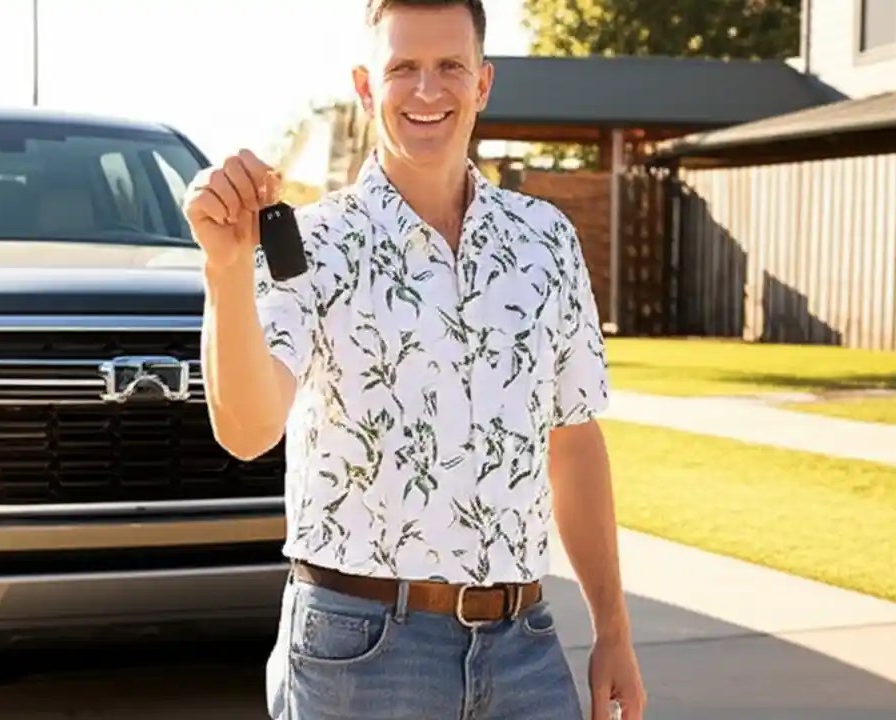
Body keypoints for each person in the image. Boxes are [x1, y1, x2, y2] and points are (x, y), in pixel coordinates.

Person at [182, 1, 647, 718]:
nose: (428, 92)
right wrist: (225, 272)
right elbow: (247, 429)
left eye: (449, 67)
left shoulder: (545, 240)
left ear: (483, 83)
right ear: (367, 87)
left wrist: (613, 628)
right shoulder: (315, 245)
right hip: (360, 657)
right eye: (404, 68)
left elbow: (575, 439)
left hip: (525, 646)